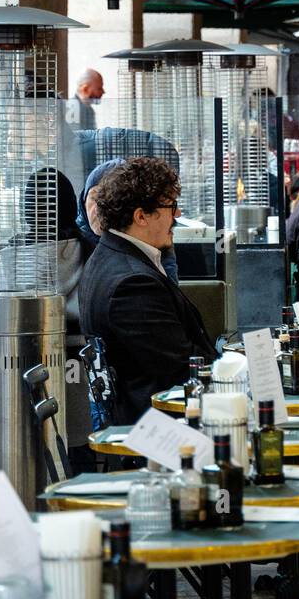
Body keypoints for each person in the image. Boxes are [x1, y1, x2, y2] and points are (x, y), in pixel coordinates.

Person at [78, 157, 215, 421]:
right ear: (141, 216)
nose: (177, 215)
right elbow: (184, 369)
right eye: (170, 206)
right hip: (160, 427)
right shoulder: (131, 285)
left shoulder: (109, 255)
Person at [0, 168, 85, 318]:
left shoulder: (10, 260)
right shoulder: (90, 253)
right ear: (72, 206)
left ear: (27, 210)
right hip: (82, 340)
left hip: (21, 340)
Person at [76, 159, 179, 282]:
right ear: (83, 202)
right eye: (94, 197)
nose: (99, 208)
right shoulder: (73, 244)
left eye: (109, 200)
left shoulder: (155, 241)